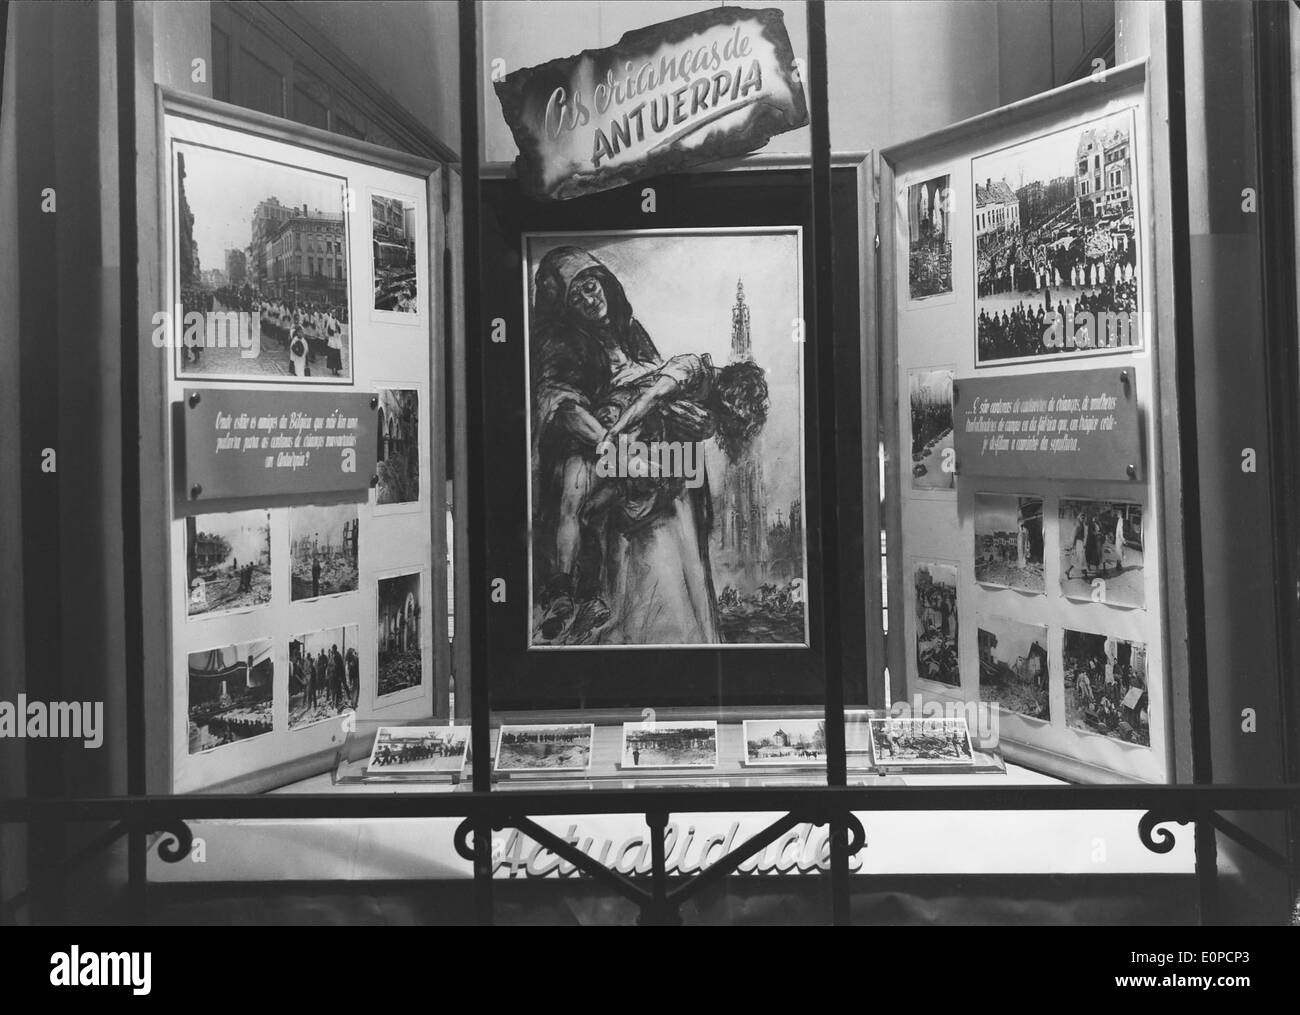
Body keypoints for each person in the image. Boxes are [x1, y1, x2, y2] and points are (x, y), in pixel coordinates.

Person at [528, 246, 726, 646]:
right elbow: (560, 405)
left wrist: (689, 418)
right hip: (613, 474)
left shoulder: (630, 330)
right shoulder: (562, 345)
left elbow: (660, 391)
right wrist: (611, 445)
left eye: (591, 285)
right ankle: (573, 600)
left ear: (604, 282)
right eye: (577, 295)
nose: (589, 298)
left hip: (660, 472)